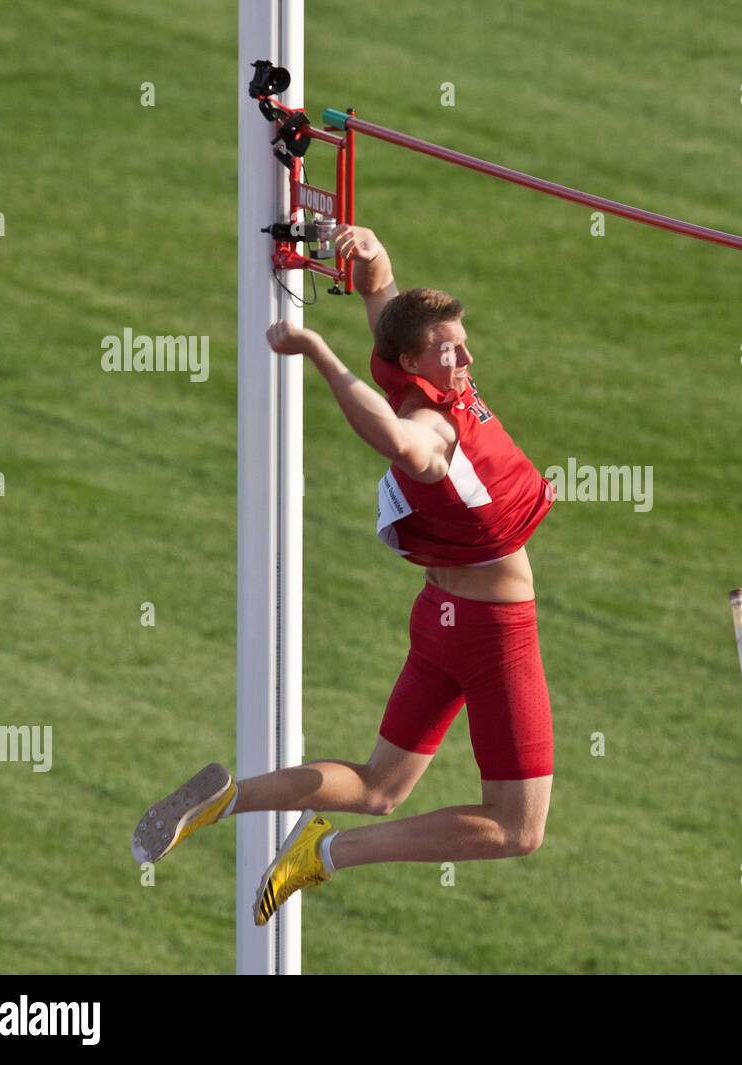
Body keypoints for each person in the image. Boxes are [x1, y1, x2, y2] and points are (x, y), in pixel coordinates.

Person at [131, 224, 556, 927]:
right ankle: (329, 854)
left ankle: (227, 800)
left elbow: (384, 300)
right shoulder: (429, 429)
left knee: (379, 783)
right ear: (418, 362)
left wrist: (372, 255)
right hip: (492, 633)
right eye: (453, 350)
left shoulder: (415, 365)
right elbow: (395, 436)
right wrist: (319, 355)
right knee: (518, 827)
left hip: (440, 621)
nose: (469, 357)